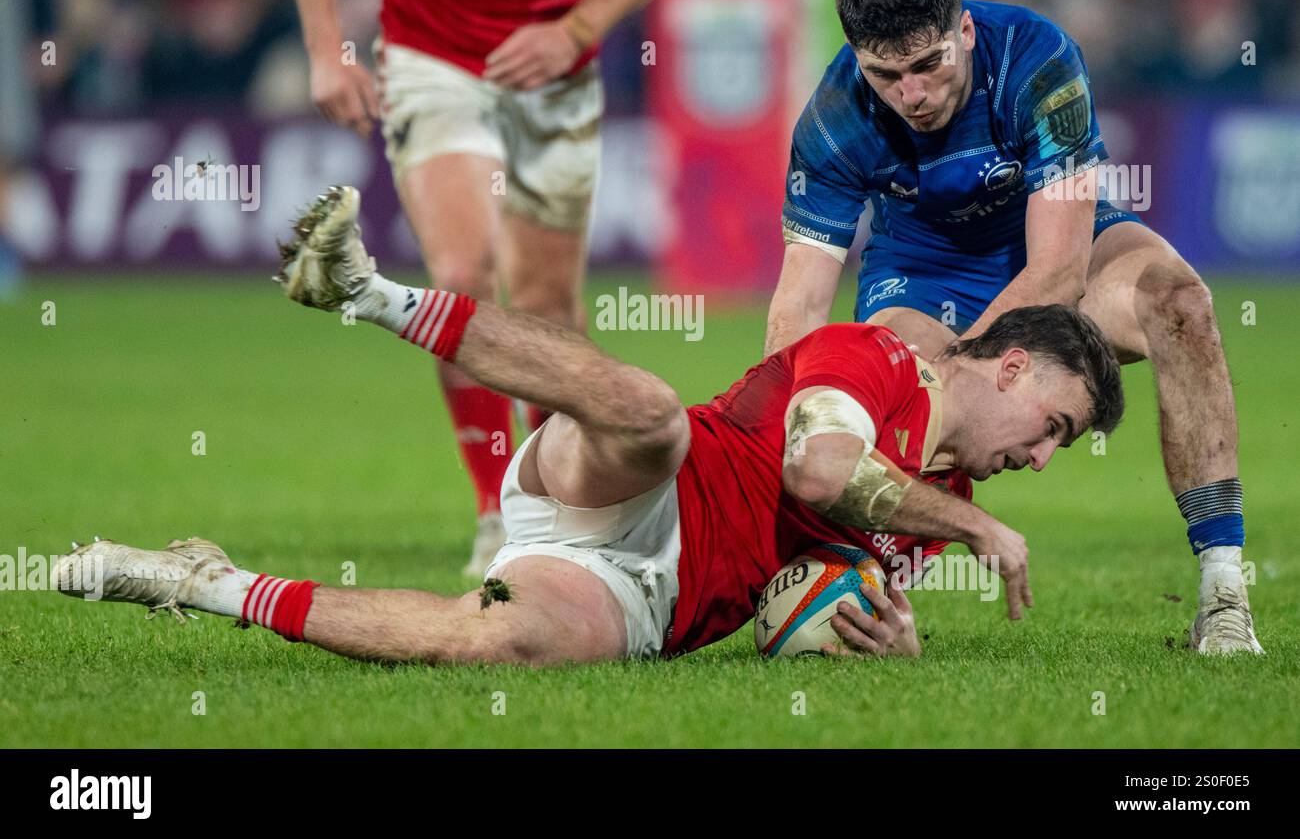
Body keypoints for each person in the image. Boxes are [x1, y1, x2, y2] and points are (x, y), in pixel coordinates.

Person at [56, 186, 1123, 664]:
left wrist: (889, 636)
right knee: (654, 412)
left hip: (646, 601)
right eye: (1053, 425)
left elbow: (826, 596)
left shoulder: (946, 511)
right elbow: (817, 471)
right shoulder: (878, 359)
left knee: (497, 636)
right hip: (634, 481)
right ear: (1014, 363)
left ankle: (206, 580)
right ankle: (366, 291)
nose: (1040, 455)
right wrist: (980, 532)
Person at [766, 0, 1261, 654]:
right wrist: (781, 450)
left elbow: (1057, 273)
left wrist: (958, 372)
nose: (913, 94)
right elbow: (798, 311)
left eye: (929, 64)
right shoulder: (833, 117)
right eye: (887, 74)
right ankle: (848, 581)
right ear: (857, 59)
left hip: (1058, 245)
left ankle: (1222, 595)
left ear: (963, 30)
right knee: (898, 387)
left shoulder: (1036, 58)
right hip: (923, 271)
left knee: (1180, 303)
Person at [283, 0, 686, 575]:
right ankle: (494, 513)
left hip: (554, 73)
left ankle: (563, 502)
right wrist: (325, 47)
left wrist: (574, 32)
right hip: (429, 61)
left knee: (546, 312)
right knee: (463, 277)